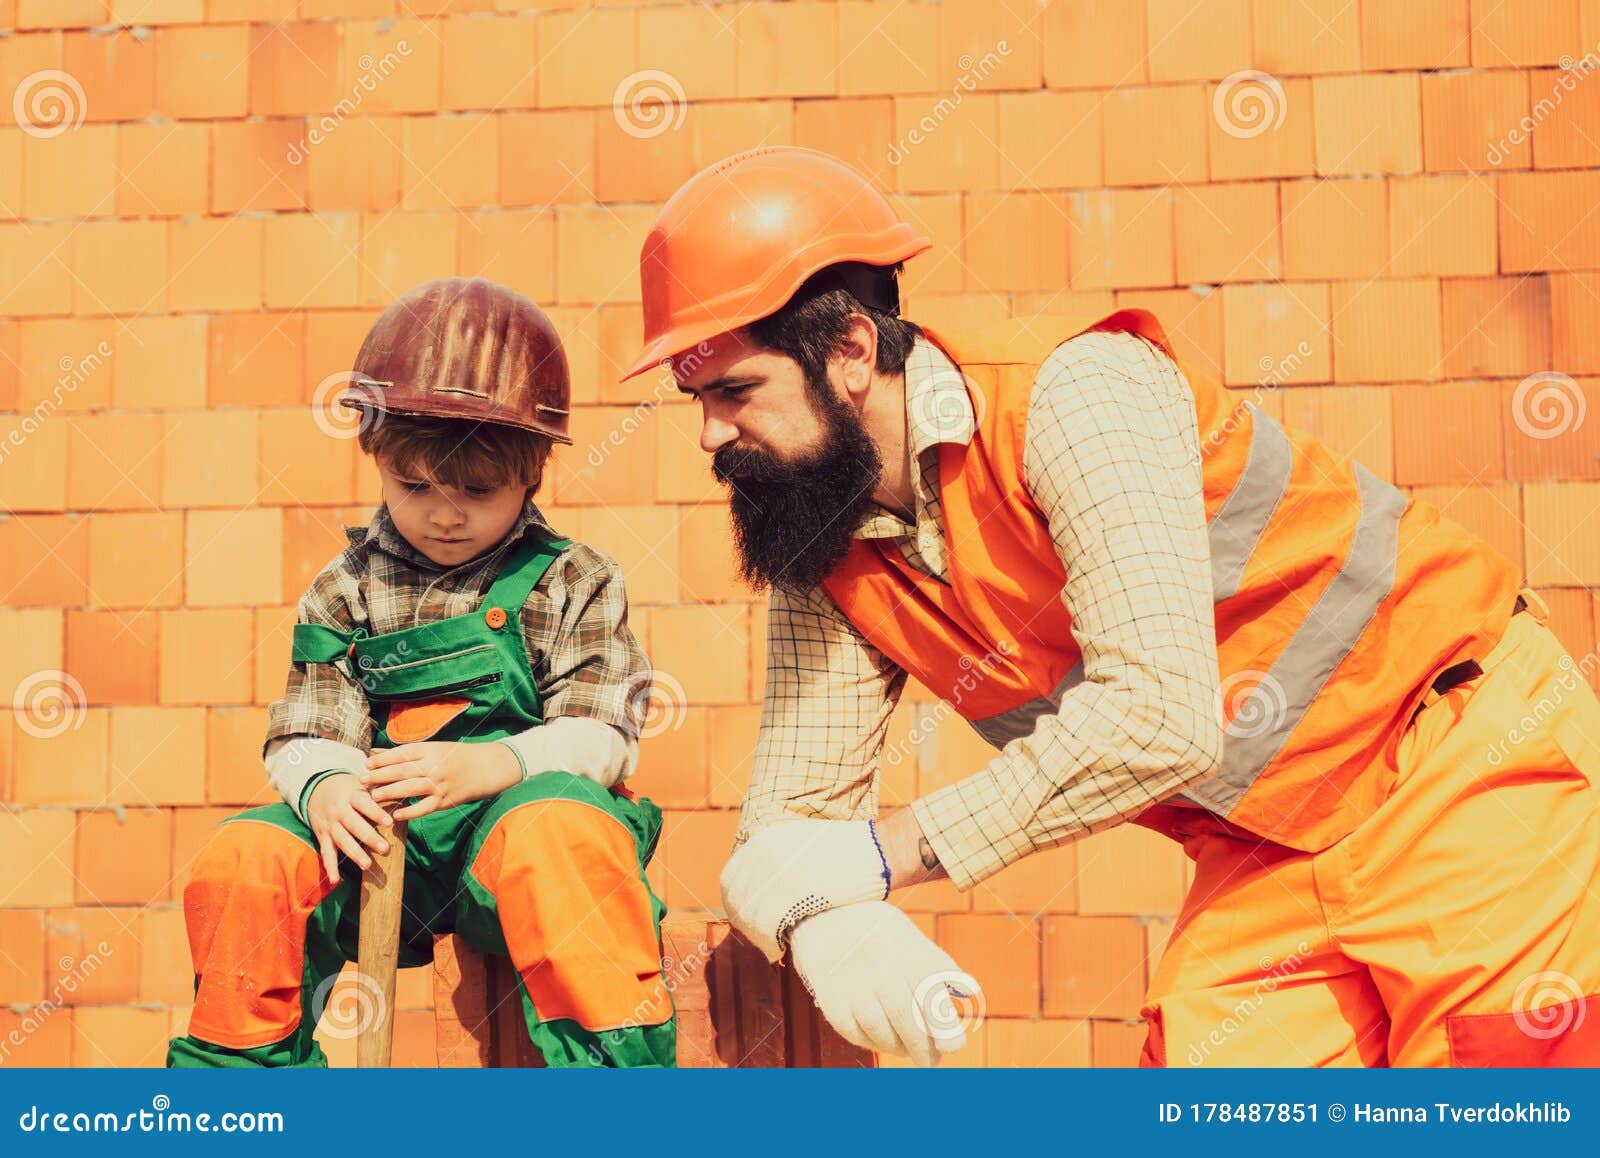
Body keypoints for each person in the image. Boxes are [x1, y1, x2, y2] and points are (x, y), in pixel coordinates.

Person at [623, 146, 1600, 1068]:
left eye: (736, 391)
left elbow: (1158, 717)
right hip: (1267, 844)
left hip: (1454, 758)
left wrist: (886, 859)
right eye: (695, 398)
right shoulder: (821, 538)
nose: (711, 434)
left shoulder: (1076, 392)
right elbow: (792, 829)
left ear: (847, 348)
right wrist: (832, 925)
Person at [168, 277, 674, 1068]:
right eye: (414, 487)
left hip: (509, 854)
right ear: (376, 456)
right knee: (246, 861)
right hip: (376, 849)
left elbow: (603, 735)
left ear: (533, 472)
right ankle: (248, 1106)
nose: (445, 514)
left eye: (478, 491)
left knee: (564, 828)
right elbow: (308, 726)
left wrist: (493, 763)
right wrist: (327, 786)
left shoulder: (574, 578)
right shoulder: (345, 586)